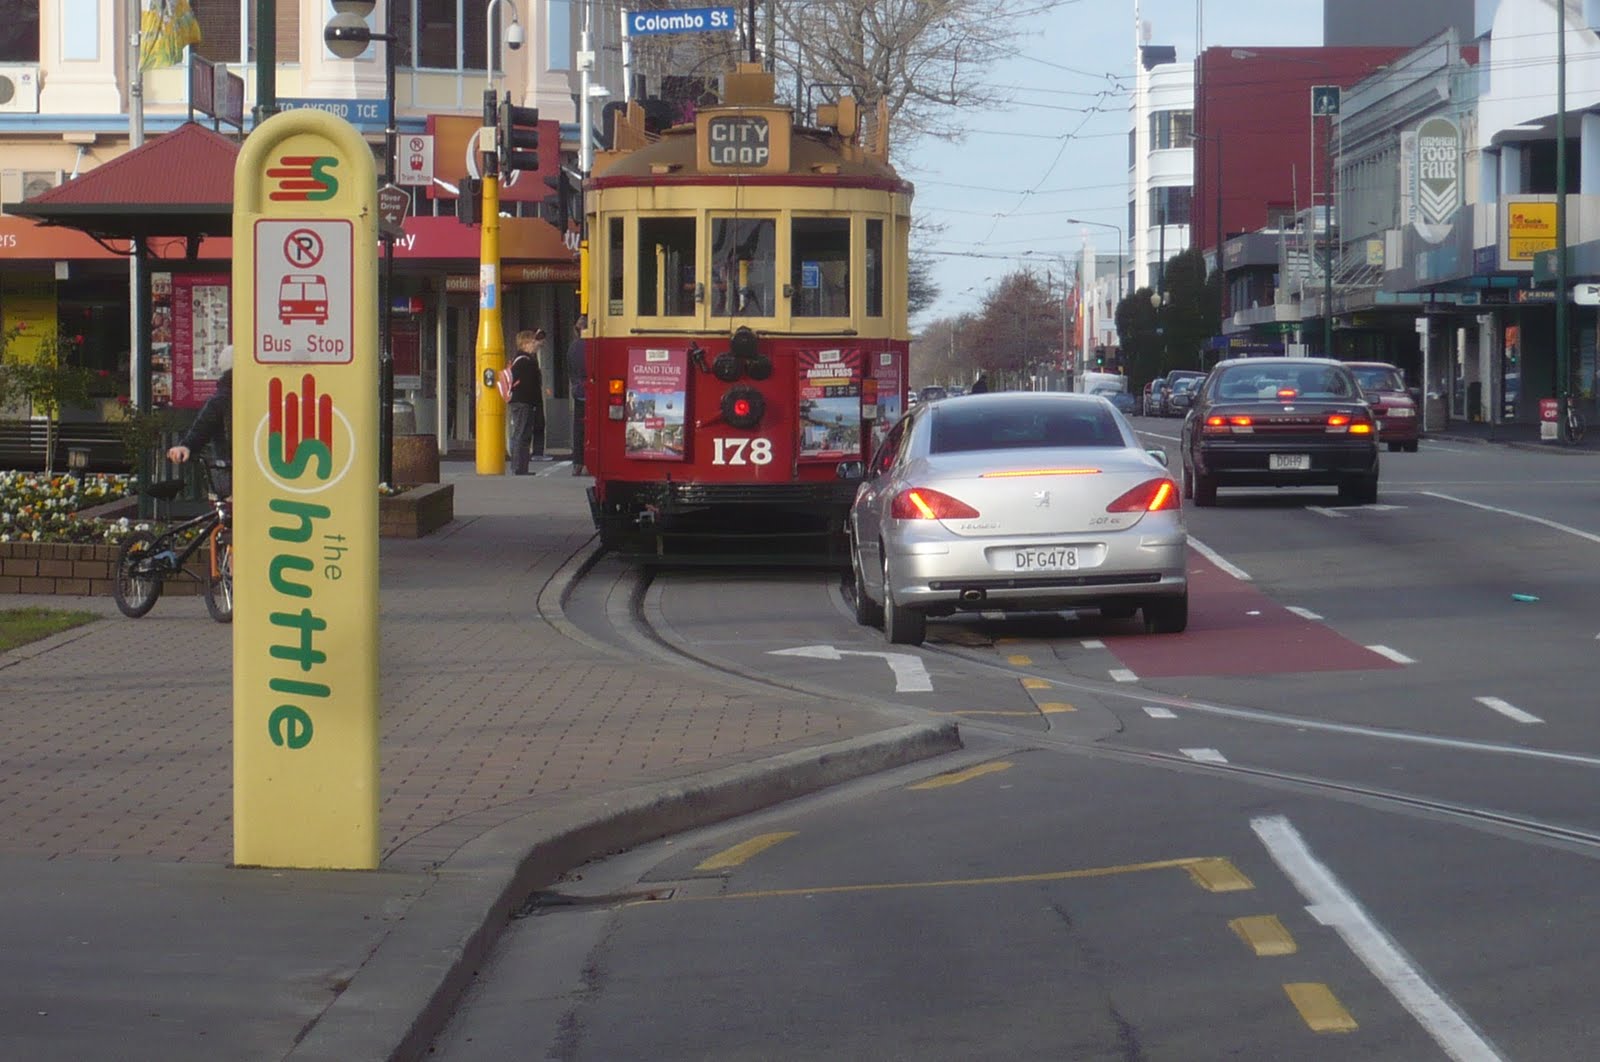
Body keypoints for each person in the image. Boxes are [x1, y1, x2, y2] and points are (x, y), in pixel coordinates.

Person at [167, 344, 232, 468]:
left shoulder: (219, 400)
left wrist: (186, 446)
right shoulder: (223, 399)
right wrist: (187, 445)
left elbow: (200, 429)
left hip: (227, 469)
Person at [508, 329, 547, 474]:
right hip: (524, 401)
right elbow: (530, 384)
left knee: (522, 433)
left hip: (521, 400)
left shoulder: (522, 360)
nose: (535, 344)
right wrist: (537, 403)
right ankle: (519, 467)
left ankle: (521, 467)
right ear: (525, 344)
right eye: (532, 342)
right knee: (521, 433)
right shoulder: (526, 361)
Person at [567, 315, 588, 475]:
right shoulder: (591, 346)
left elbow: (570, 369)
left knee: (579, 426)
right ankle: (588, 460)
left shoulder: (573, 347)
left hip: (578, 390)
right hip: (592, 389)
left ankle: (578, 462)